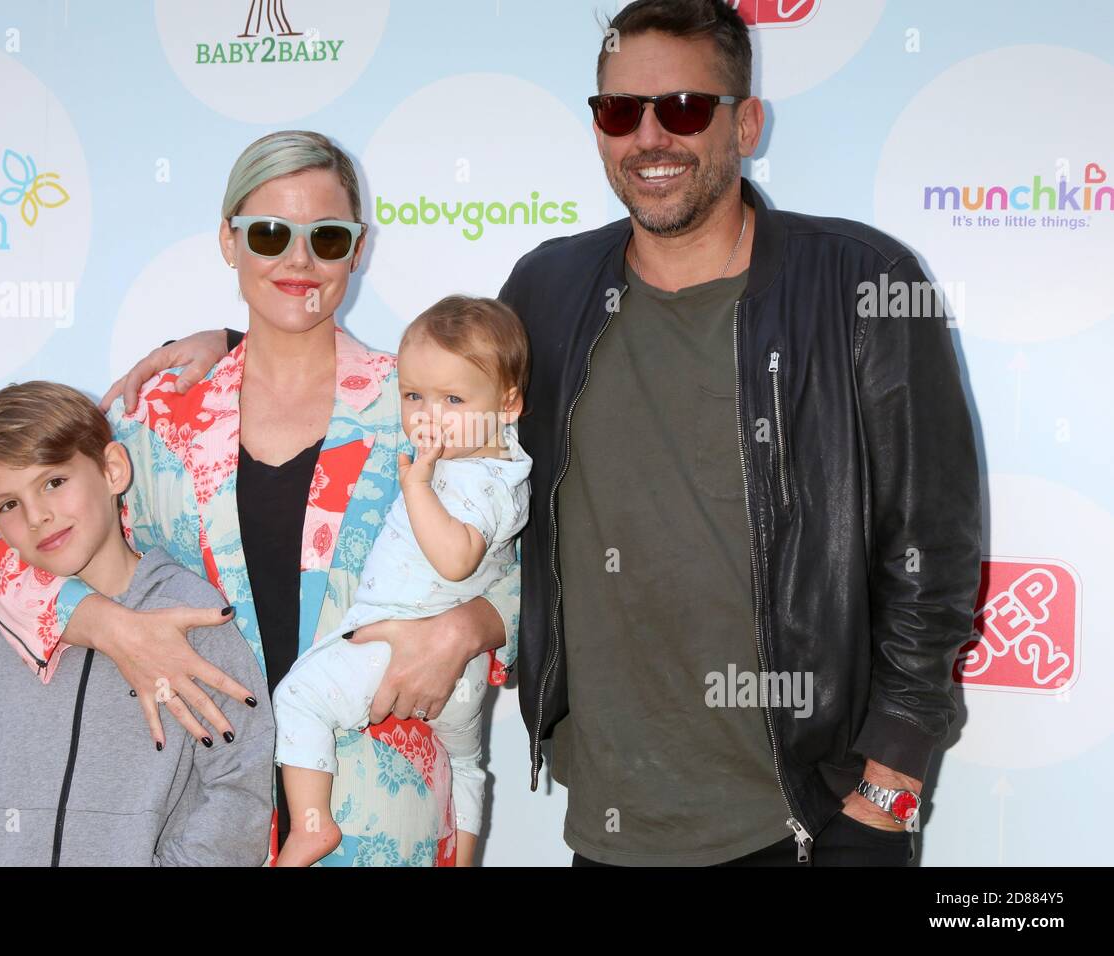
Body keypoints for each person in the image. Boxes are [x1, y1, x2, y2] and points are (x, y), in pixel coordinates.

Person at [141, 0, 982, 867]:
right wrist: (234, 344)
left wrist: (890, 787)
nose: (650, 136)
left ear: (749, 122)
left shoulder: (859, 285)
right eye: (621, 111)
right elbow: (448, 388)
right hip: (614, 823)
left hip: (810, 817)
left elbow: (934, 548)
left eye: (685, 108)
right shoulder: (549, 292)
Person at [0, 131, 521, 867]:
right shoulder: (158, 417)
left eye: (327, 237)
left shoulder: (422, 407)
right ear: (229, 242)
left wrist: (465, 629)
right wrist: (110, 627)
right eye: (269, 234)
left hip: (382, 814)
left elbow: (525, 571)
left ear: (357, 250)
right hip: (192, 817)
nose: (299, 261)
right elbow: (7, 561)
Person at [0, 382, 273, 866]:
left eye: (53, 482)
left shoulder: (190, 615)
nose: (37, 516)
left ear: (112, 470)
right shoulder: (7, 644)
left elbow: (239, 786)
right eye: (9, 505)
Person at [273, 296, 531, 866]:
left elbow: (458, 558)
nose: (427, 416)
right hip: (453, 682)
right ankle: (463, 856)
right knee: (466, 763)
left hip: (399, 652)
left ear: (508, 403)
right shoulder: (490, 461)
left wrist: (416, 487)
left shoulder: (478, 481)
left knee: (299, 696)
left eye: (453, 400)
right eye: (414, 395)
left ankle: (310, 826)